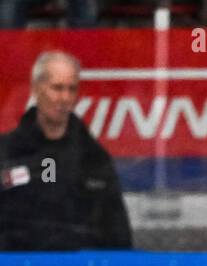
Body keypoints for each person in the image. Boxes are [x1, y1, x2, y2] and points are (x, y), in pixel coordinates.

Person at [0, 51, 131, 252]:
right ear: (36, 89)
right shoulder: (7, 153)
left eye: (72, 89)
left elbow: (117, 231)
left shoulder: (94, 158)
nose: (65, 98)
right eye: (57, 88)